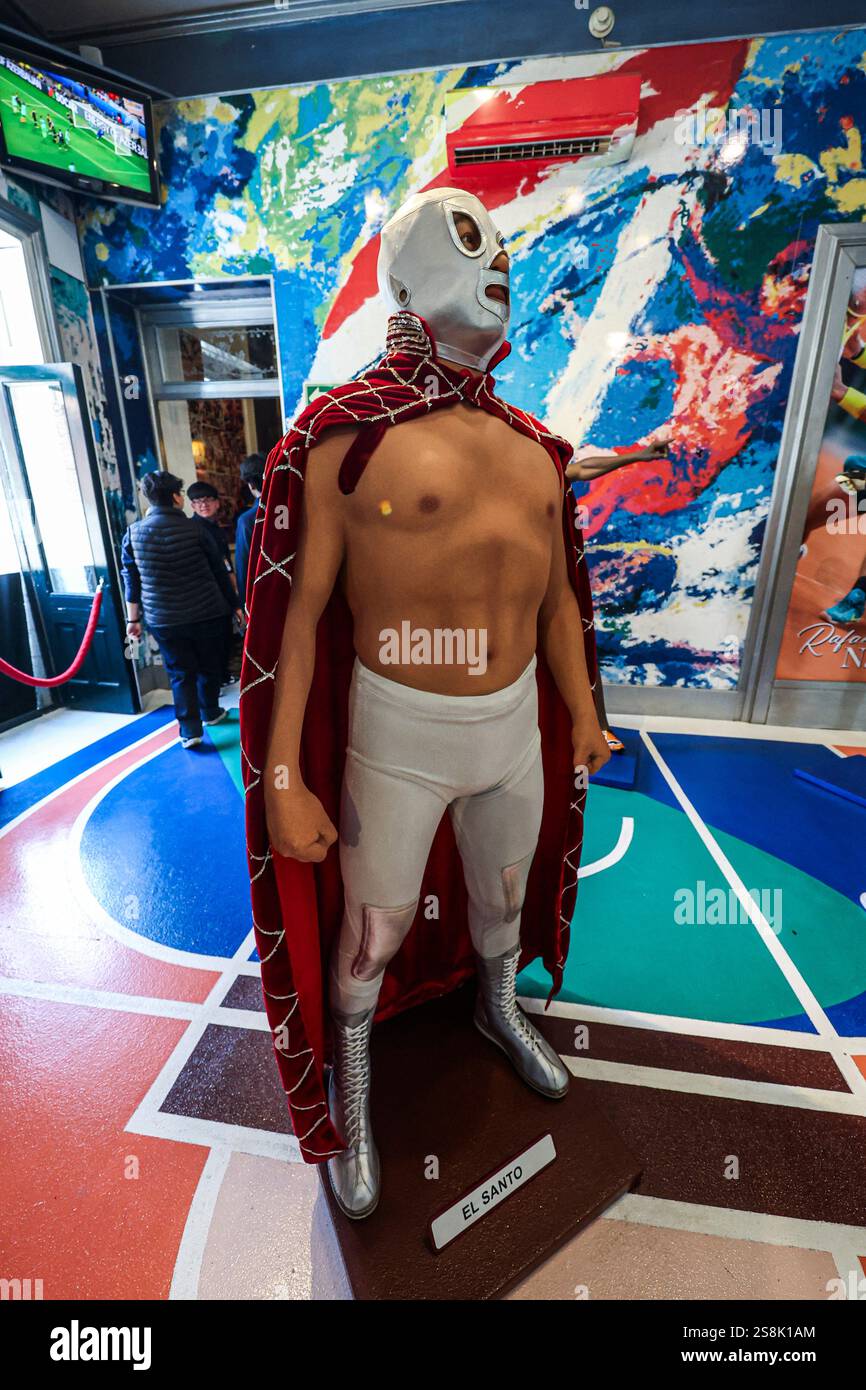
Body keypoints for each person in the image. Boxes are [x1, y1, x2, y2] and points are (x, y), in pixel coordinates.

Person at [240, 187, 608, 1219]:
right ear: (406, 278)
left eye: (498, 246)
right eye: (466, 240)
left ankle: (496, 1006)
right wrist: (280, 780)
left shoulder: (532, 449)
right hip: (393, 732)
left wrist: (578, 711)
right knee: (374, 925)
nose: (494, 261)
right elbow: (295, 621)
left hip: (508, 732)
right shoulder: (336, 436)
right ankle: (349, 1093)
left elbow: (555, 605)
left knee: (500, 894)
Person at [121, 471, 243, 749]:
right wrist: (236, 606)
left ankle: (190, 731)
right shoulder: (197, 530)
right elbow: (219, 572)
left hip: (164, 619)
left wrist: (133, 618)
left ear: (148, 499)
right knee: (209, 665)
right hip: (208, 613)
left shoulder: (133, 533)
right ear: (177, 497)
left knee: (179, 673)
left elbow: (131, 579)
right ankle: (210, 711)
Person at [565, 440, 672, 751]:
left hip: (553, 571)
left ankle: (600, 727)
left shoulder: (543, 469)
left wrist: (638, 455)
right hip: (514, 575)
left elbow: (584, 468)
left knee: (579, 645)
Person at [187, 479, 240, 684]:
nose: (203, 505)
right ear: (191, 505)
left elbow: (225, 562)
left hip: (221, 591)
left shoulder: (216, 529)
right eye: (198, 501)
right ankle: (216, 681)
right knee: (211, 643)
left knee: (224, 637)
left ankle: (223, 676)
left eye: (208, 500)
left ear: (217, 503)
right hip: (205, 594)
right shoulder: (193, 529)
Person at [234, 454, 264, 609]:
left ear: (251, 485)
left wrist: (245, 604)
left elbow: (244, 565)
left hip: (263, 594)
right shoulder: (294, 510)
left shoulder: (247, 520)